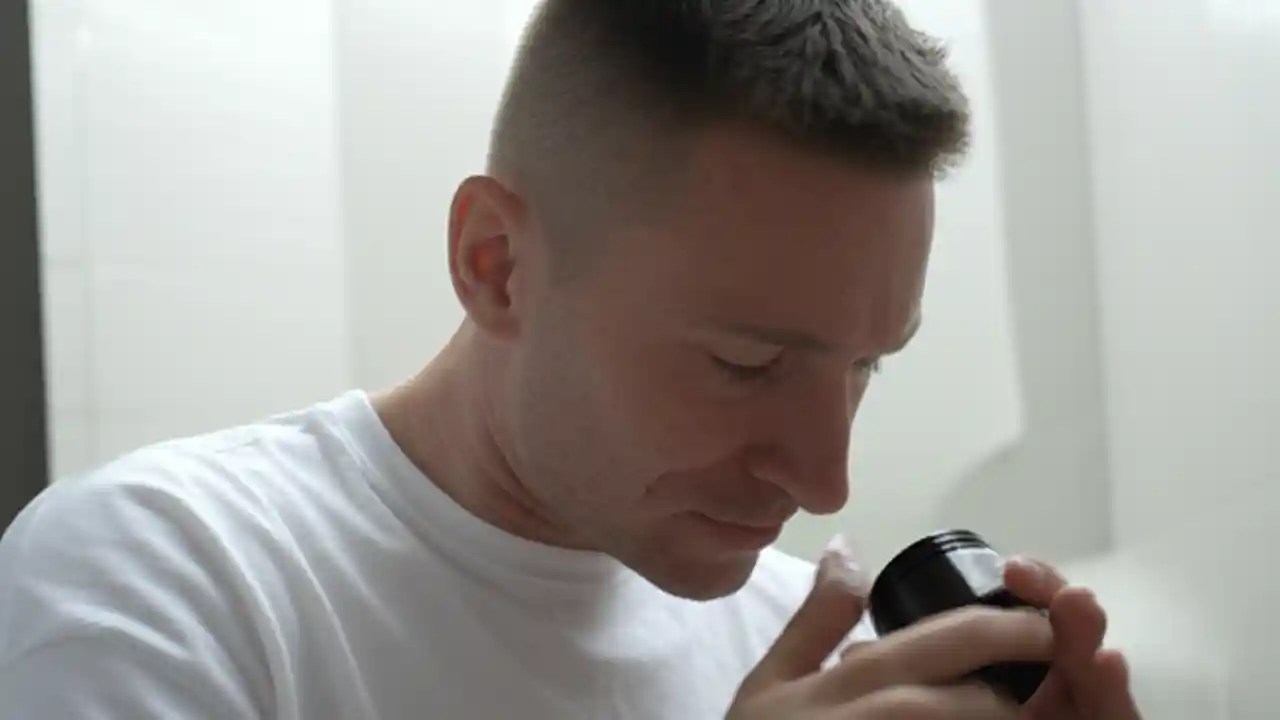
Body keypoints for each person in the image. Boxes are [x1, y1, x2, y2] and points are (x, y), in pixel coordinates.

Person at [0, 1, 1143, 718]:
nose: (823, 481)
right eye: (747, 364)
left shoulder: (821, 664)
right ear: (495, 263)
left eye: (863, 367)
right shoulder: (168, 579)